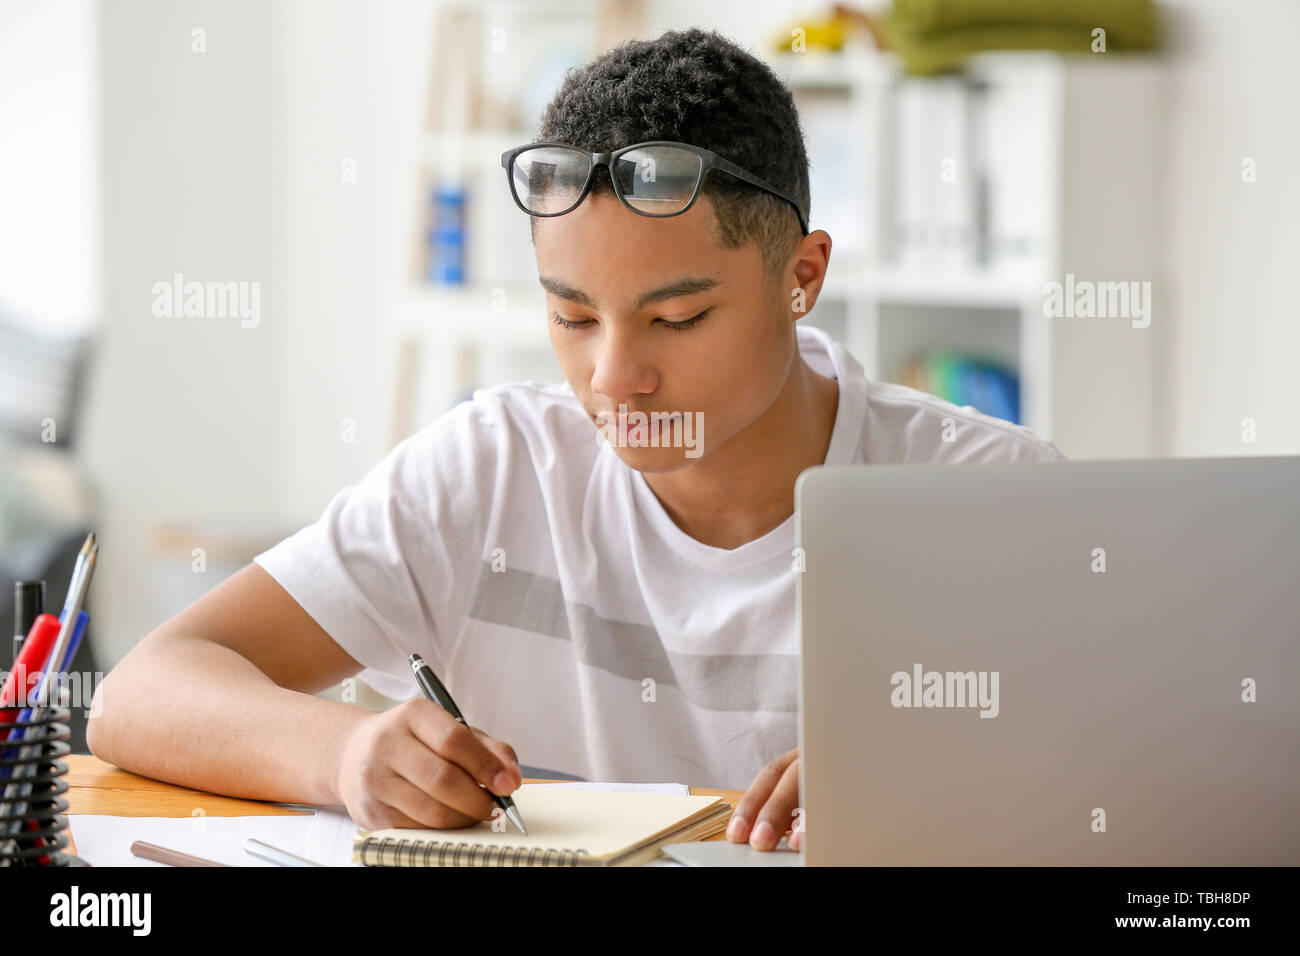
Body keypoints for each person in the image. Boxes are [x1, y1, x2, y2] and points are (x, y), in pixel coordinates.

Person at [88, 27, 1063, 853]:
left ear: (800, 275)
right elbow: (140, 692)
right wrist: (340, 753)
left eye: (675, 319)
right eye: (572, 315)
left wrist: (949, 772)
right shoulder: (492, 469)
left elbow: (1157, 766)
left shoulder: (986, 498)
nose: (613, 378)